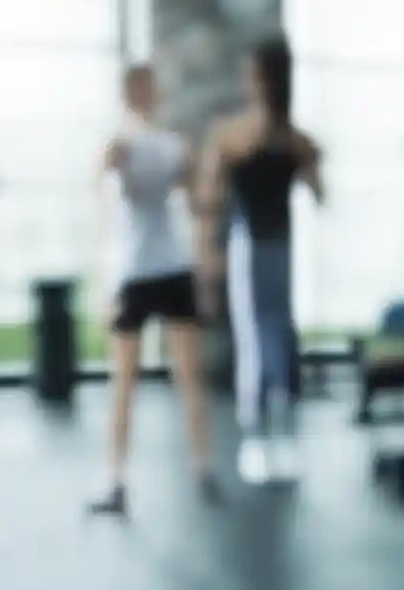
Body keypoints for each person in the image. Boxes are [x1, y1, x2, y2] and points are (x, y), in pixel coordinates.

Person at [88, 65, 219, 516]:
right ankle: (115, 480)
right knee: (123, 380)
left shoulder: (174, 146)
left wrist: (203, 268)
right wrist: (103, 280)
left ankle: (203, 467)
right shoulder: (117, 145)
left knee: (189, 376)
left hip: (173, 267)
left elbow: (199, 204)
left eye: (149, 86)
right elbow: (100, 199)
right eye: (136, 88)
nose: (144, 94)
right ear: (127, 94)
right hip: (132, 271)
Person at [196, 36, 323, 485]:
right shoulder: (232, 134)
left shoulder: (292, 138)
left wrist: (307, 159)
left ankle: (283, 433)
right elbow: (209, 199)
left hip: (280, 244)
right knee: (253, 339)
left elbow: (320, 191)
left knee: (279, 335)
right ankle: (255, 438)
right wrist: (208, 254)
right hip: (247, 244)